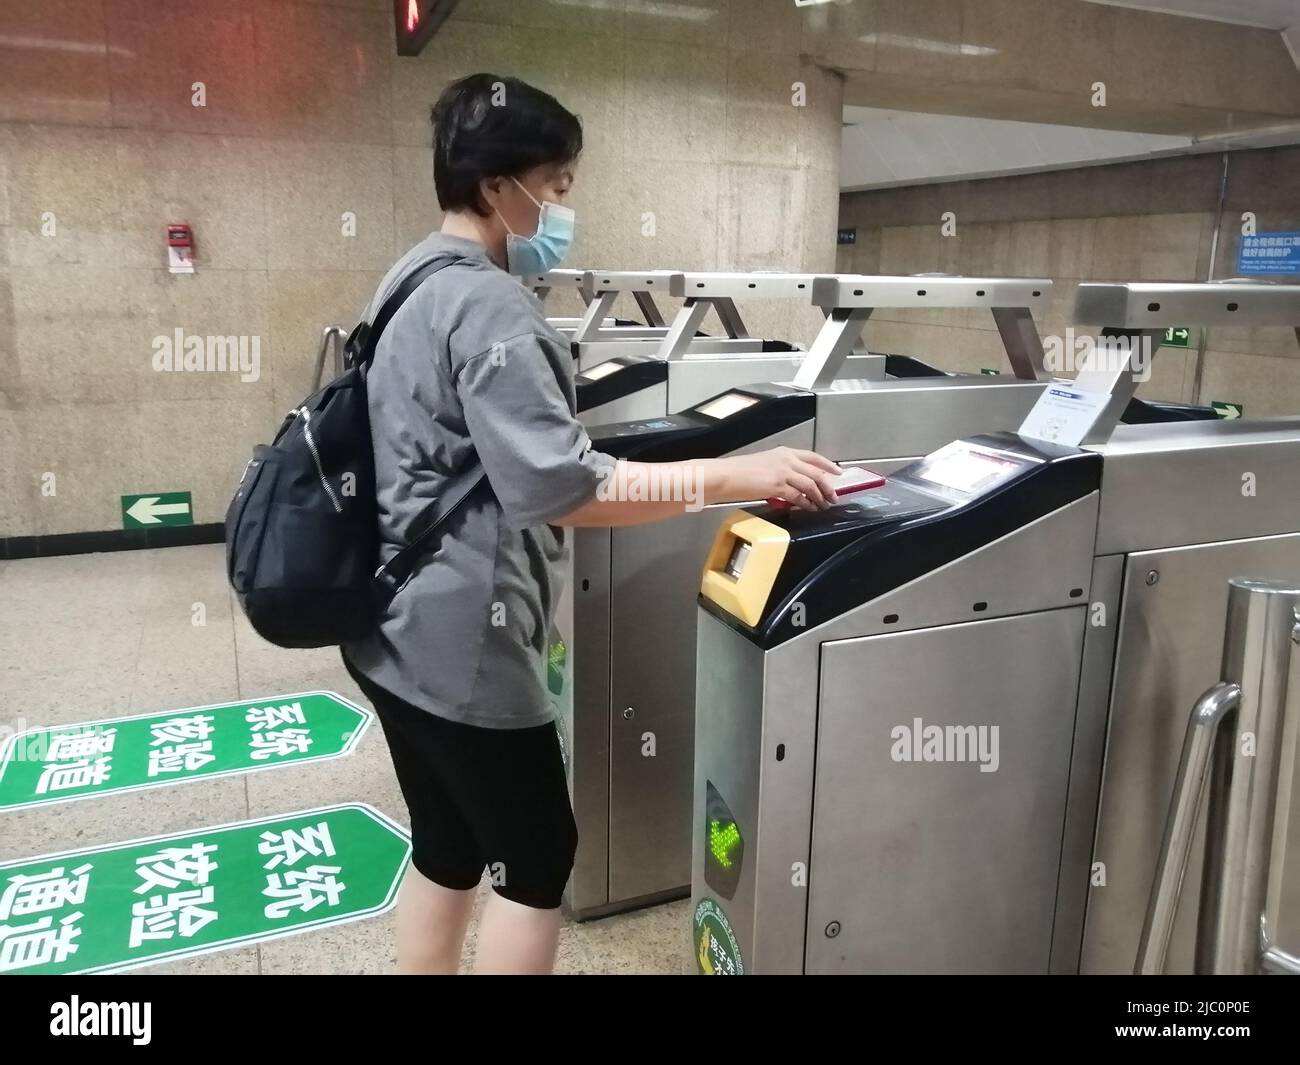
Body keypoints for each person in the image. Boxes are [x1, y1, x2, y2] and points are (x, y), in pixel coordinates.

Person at [342, 73, 841, 975]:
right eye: (557, 184)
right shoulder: (492, 305)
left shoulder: (409, 275)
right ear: (499, 186)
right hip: (463, 643)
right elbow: (563, 488)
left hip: (384, 622)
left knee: (447, 843)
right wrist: (736, 473)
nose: (563, 205)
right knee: (537, 862)